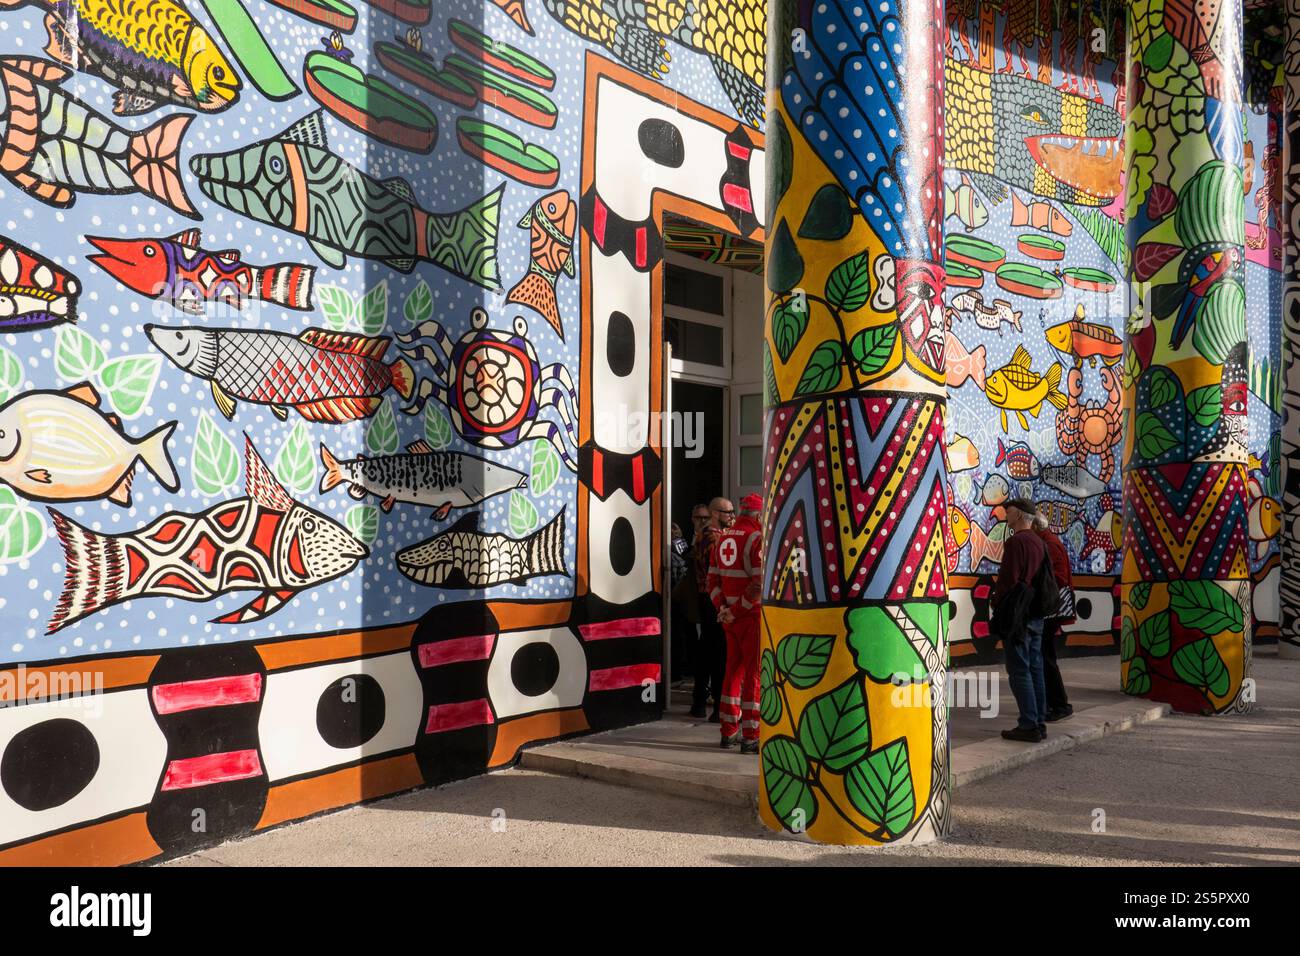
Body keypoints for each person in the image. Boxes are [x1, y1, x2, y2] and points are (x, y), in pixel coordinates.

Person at [706, 493, 763, 754]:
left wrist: (723, 609)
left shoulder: (723, 538)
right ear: (759, 515)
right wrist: (738, 610)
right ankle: (751, 735)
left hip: (729, 618)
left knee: (732, 672)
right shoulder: (756, 538)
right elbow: (758, 583)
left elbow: (712, 581)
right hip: (749, 617)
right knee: (752, 675)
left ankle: (728, 731)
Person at [992, 498, 1051, 742]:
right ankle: (1038, 722)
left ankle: (1028, 724)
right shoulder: (1039, 541)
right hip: (1036, 613)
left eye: (1009, 511)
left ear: (1018, 515)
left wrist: (997, 604)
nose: (1006, 514)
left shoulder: (1016, 542)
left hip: (1018, 615)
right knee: (1035, 668)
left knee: (1018, 670)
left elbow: (1009, 579)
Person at [688, 499, 731, 720]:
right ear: (716, 513)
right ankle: (717, 707)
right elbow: (720, 570)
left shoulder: (702, 537)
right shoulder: (715, 537)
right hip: (714, 598)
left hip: (705, 598)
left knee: (706, 651)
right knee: (718, 653)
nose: (732, 515)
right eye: (727, 512)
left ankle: (699, 702)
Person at [1033, 509, 1074, 721]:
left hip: (1050, 608)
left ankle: (1058, 704)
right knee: (1046, 656)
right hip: (1051, 607)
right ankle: (1054, 703)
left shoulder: (1049, 544)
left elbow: (1058, 577)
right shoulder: (1048, 541)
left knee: (1046, 657)